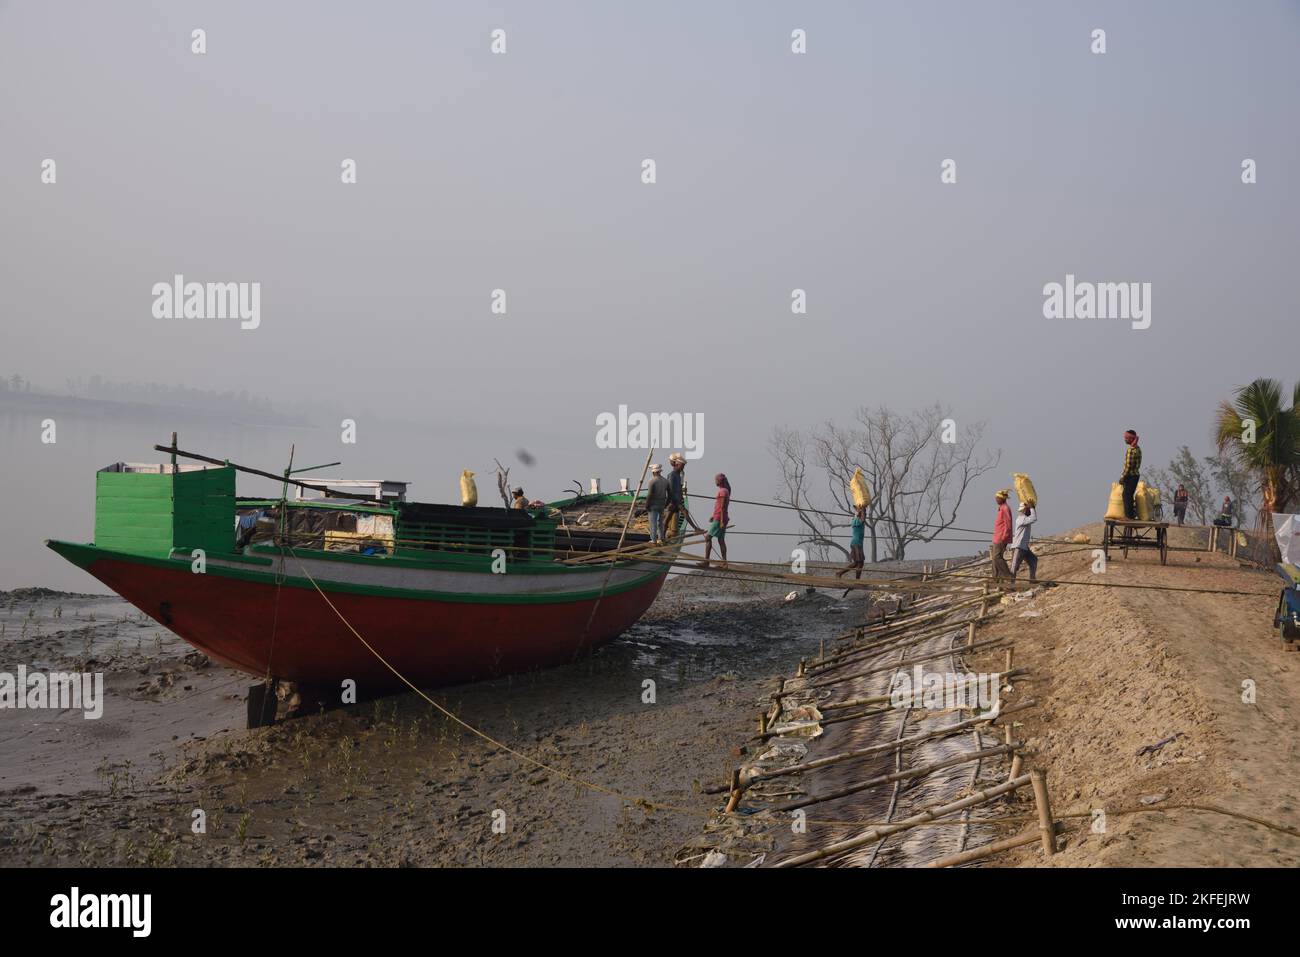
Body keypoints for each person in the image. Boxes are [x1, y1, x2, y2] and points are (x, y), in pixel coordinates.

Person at [663, 452, 703, 539]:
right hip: (674, 501)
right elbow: (670, 490)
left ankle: (661, 537)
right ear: (677, 464)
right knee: (684, 513)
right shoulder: (672, 475)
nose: (683, 467)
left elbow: (679, 488)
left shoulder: (678, 475)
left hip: (677, 500)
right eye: (682, 465)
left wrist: (680, 497)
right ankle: (695, 529)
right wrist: (673, 502)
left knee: (667, 520)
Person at [702, 473, 731, 568]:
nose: (715, 481)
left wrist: (721, 521)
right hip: (719, 517)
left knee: (708, 538)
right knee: (721, 540)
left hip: (720, 518)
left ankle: (706, 561)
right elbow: (719, 507)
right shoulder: (725, 490)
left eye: (716, 480)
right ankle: (724, 563)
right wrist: (713, 516)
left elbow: (722, 507)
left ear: (720, 481)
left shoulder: (722, 491)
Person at [837, 504, 867, 587]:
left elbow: (863, 517)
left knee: (860, 563)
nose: (864, 515)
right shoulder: (856, 520)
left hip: (858, 544)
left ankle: (857, 581)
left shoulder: (858, 519)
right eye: (862, 514)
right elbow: (863, 519)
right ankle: (839, 573)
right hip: (856, 543)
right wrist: (861, 510)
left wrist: (862, 509)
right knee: (857, 562)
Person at [1010, 501, 1038, 583]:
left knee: (1033, 560)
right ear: (1025, 510)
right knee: (1014, 567)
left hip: (1024, 547)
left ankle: (1032, 579)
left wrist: (1032, 508)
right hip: (1018, 546)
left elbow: (1032, 518)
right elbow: (1034, 518)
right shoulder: (1021, 518)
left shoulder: (1025, 518)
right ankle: (1010, 584)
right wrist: (1032, 508)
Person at [991, 490, 1014, 582]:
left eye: (997, 498)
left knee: (997, 557)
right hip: (997, 537)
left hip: (1001, 537)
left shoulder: (1005, 508)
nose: (996, 499)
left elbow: (1008, 524)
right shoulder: (1001, 508)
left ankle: (1008, 576)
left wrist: (1004, 537)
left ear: (1002, 498)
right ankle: (996, 579)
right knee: (994, 558)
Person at [644, 463, 669, 544]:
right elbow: (669, 493)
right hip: (662, 504)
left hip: (653, 505)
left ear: (654, 472)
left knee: (653, 523)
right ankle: (661, 537)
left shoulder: (652, 481)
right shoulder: (665, 481)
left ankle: (654, 540)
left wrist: (646, 505)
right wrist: (666, 504)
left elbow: (649, 494)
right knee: (660, 522)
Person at [1120, 430, 1142, 520]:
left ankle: (1129, 516)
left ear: (1131, 438)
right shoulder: (1137, 448)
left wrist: (1122, 477)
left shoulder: (1131, 450)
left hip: (1130, 476)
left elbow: (1128, 466)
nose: (1125, 439)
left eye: (1126, 438)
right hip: (1135, 475)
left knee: (1126, 495)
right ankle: (1131, 515)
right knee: (1129, 495)